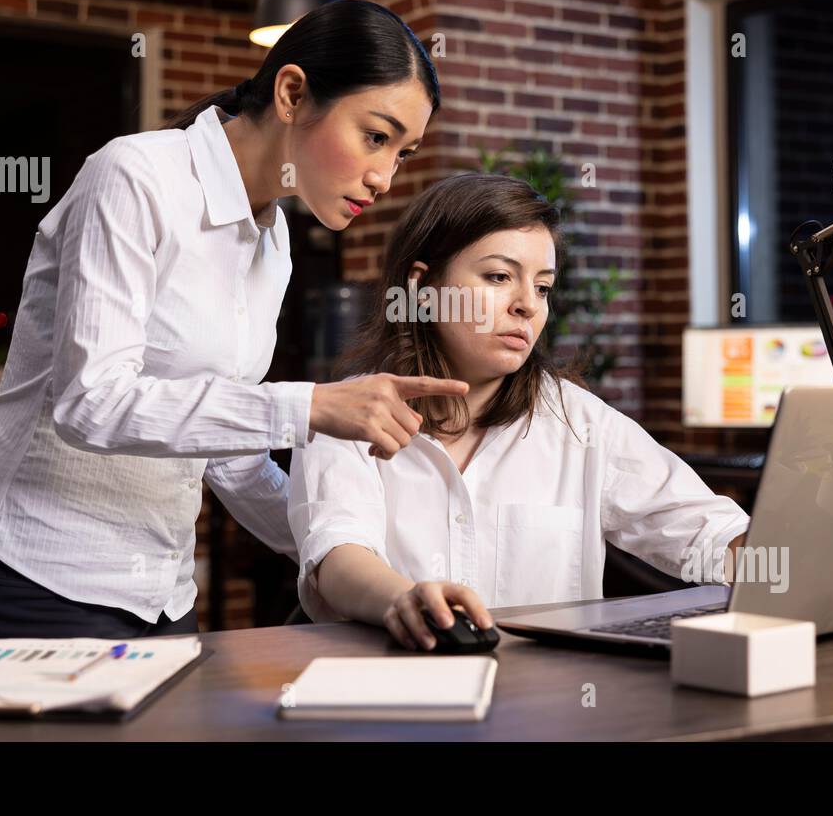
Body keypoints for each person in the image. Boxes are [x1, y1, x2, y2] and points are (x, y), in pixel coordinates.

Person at [0, 0, 467, 645]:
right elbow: (92, 402)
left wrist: (357, 564)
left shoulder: (274, 240)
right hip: (36, 579)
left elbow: (231, 457)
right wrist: (307, 408)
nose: (385, 177)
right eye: (376, 136)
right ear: (293, 92)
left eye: (404, 154)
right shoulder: (135, 178)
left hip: (162, 597)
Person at [288, 173, 750, 649]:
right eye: (499, 277)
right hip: (400, 697)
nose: (528, 305)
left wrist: (792, 564)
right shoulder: (341, 414)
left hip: (552, 703)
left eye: (544, 287)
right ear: (422, 287)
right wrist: (403, 600)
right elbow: (336, 557)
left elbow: (707, 533)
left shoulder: (579, 420)